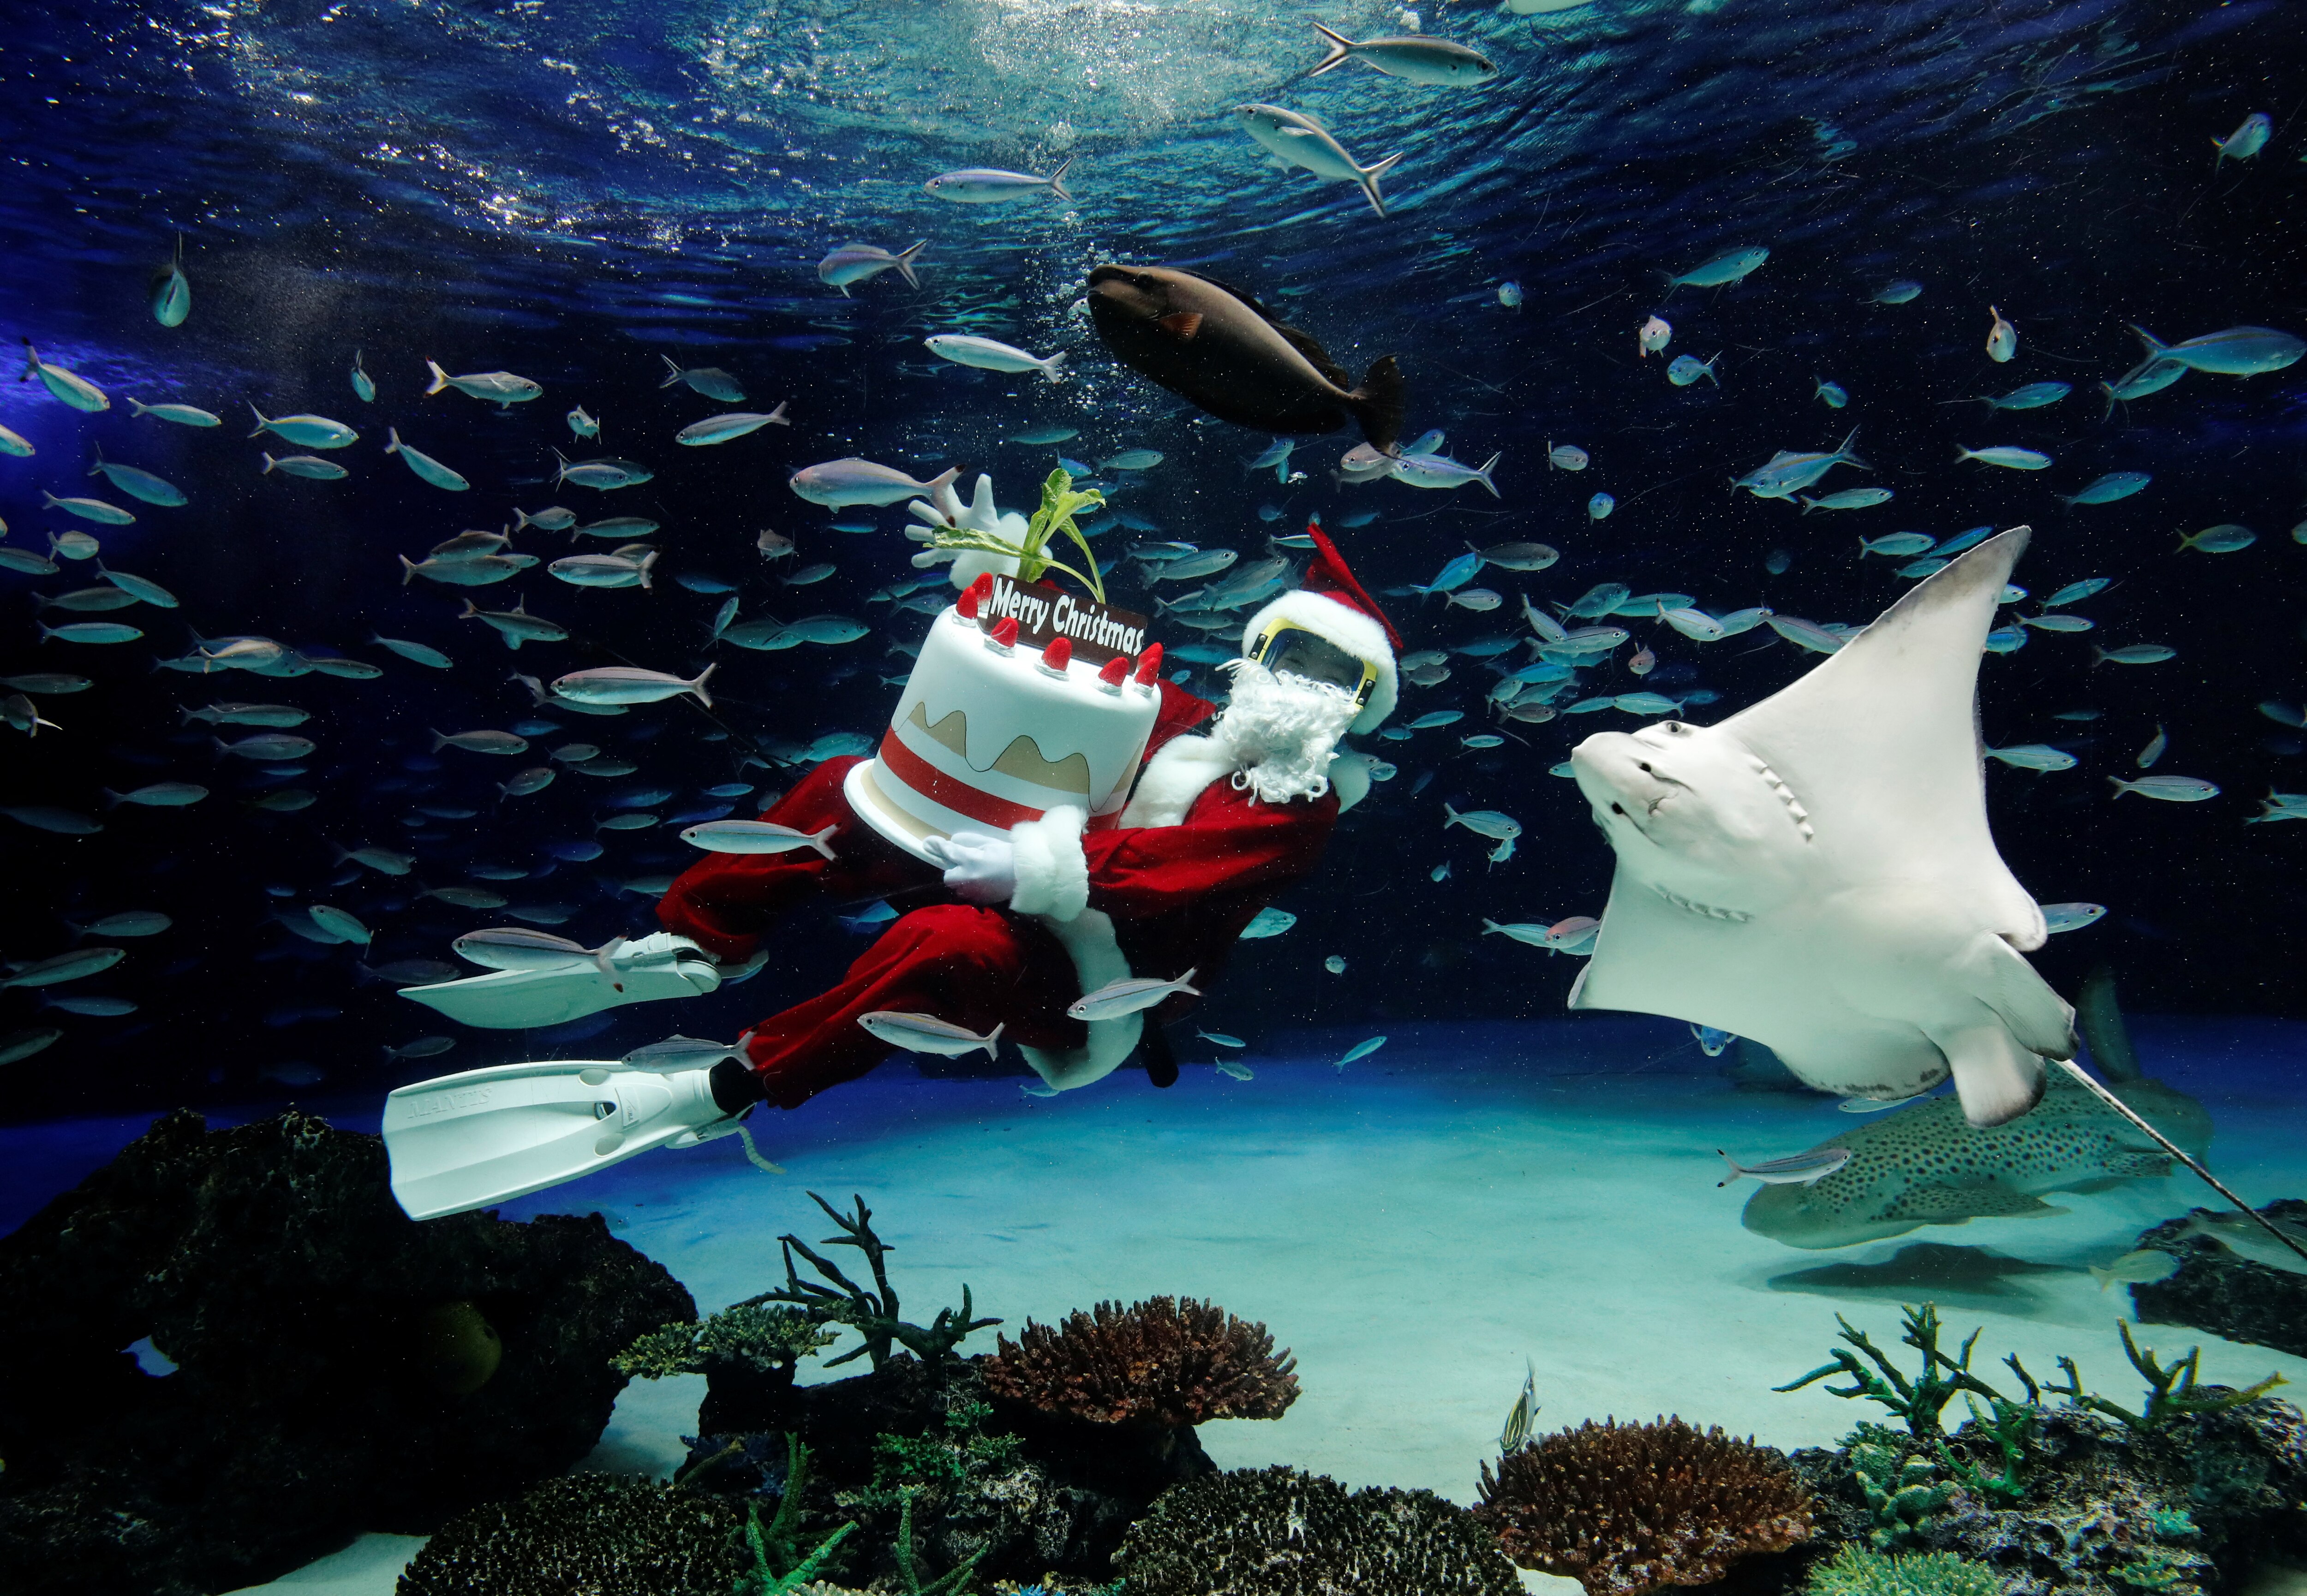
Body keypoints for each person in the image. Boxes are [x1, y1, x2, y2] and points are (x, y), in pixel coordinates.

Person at [378, 484, 1401, 1220]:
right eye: (1292, 653)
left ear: (1358, 708)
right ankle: (693, 943)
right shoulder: (1182, 718)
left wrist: (1035, 871)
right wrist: (1012, 573)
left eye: (1336, 676)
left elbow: (1173, 872)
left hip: (1097, 980)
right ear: (1254, 648)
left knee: (944, 945)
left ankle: (726, 1086)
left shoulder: (1301, 807)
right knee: (839, 787)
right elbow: (1088, 667)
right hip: (1014, 871)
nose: (1303, 686)